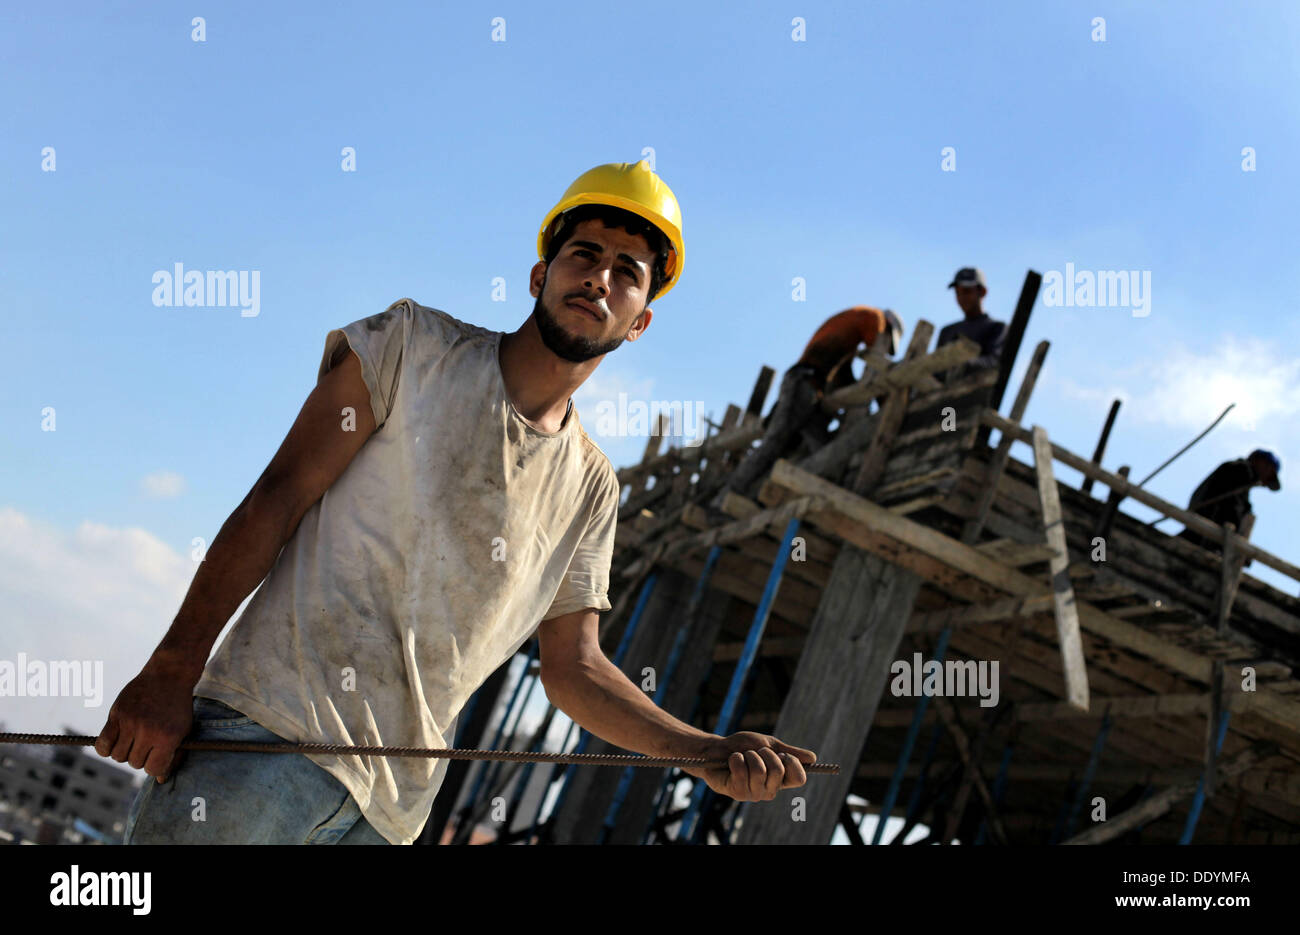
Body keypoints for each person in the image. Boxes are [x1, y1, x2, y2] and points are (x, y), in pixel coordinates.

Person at [100, 161, 816, 845]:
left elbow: (574, 668)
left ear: (639, 321)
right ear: (541, 273)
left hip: (386, 816)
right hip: (263, 738)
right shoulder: (410, 347)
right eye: (585, 254)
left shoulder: (592, 487)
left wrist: (707, 750)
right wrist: (171, 670)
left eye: (627, 273)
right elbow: (276, 498)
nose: (599, 277)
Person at [718, 305, 903, 500]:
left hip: (812, 391)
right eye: (887, 339)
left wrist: (856, 395)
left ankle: (786, 492)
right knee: (775, 442)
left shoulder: (850, 327)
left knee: (820, 448)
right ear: (890, 326)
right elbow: (875, 360)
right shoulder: (875, 318)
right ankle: (728, 495)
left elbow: (843, 375)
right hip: (803, 383)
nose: (884, 341)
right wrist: (885, 402)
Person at [1178, 449, 1282, 552]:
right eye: (1268, 469)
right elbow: (1231, 508)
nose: (1266, 477)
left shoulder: (1240, 475)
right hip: (1206, 534)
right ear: (1258, 460)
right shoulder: (1240, 470)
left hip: (1200, 529)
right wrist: (1238, 544)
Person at [935, 267, 1007, 378]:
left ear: (982, 292)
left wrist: (960, 364)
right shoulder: (947, 332)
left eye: (966, 291)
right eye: (957, 293)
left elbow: (995, 362)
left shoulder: (996, 328)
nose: (961, 297)